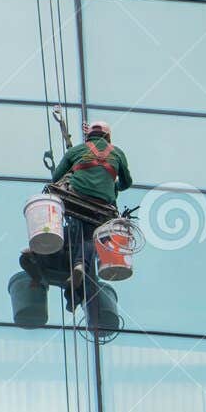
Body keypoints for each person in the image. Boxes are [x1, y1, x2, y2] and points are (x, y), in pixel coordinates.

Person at [43, 119, 133, 311]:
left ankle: (70, 269)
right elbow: (127, 182)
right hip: (102, 203)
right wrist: (112, 188)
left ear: (88, 135)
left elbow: (56, 177)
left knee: (73, 226)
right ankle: (79, 267)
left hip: (76, 196)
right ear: (108, 136)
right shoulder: (117, 152)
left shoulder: (76, 150)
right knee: (93, 236)